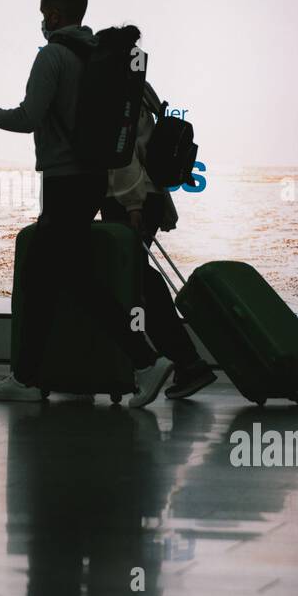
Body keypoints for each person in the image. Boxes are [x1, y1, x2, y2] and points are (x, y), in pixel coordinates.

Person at [0, 0, 173, 408]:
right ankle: (28, 377)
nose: (42, 21)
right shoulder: (94, 54)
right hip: (94, 179)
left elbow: (28, 117)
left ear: (54, 15)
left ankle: (144, 359)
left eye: (44, 14)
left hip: (64, 180)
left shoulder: (53, 56)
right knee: (52, 273)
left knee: (69, 275)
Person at [101, 82, 217, 400]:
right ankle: (179, 362)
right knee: (139, 280)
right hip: (147, 196)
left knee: (137, 283)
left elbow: (122, 158)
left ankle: (183, 361)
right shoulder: (141, 91)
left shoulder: (116, 96)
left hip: (128, 200)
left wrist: (133, 204)